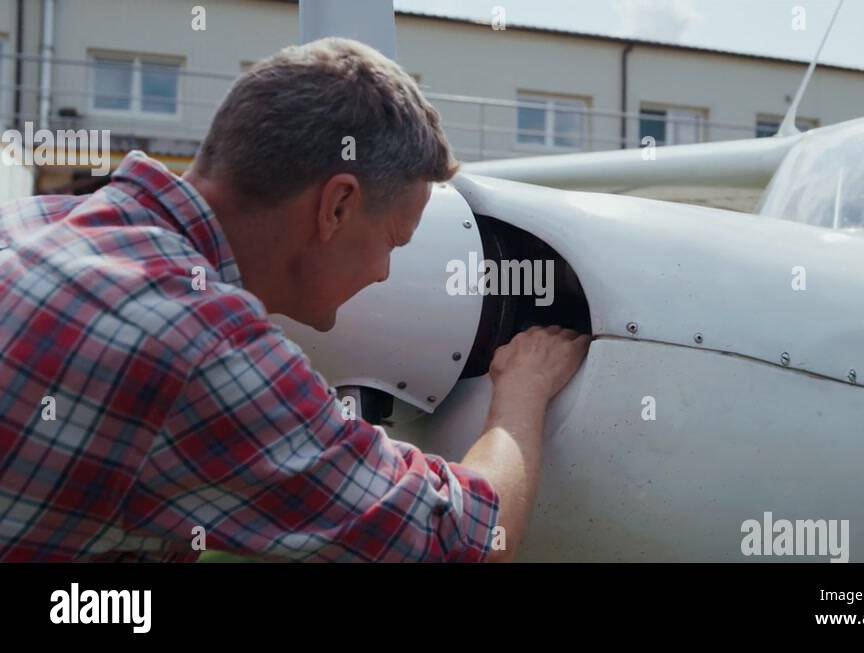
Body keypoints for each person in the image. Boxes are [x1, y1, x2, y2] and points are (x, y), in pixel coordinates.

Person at [0, 37, 588, 562]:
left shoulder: (31, 221)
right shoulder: (205, 343)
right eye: (392, 242)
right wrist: (521, 394)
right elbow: (462, 545)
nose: (385, 273)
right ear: (336, 207)